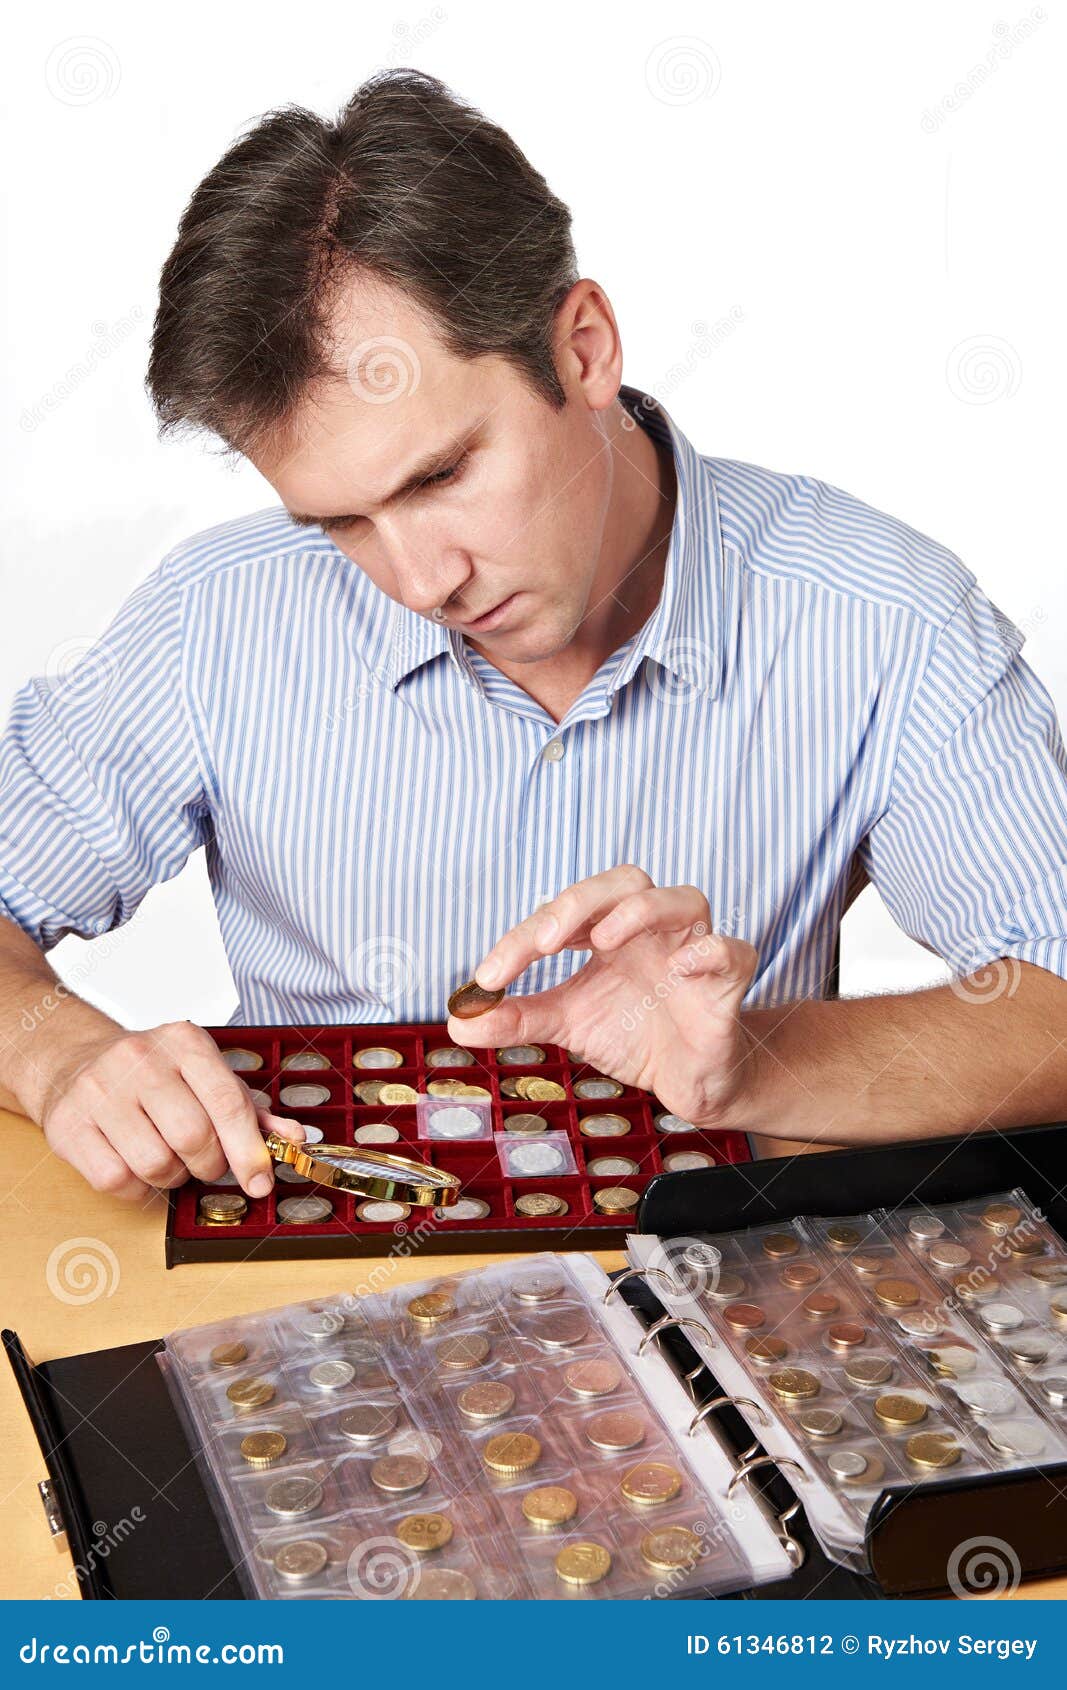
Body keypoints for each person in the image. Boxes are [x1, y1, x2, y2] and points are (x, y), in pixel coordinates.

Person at [2, 68, 1066, 1206]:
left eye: (442, 473)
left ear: (583, 348)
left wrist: (752, 1059)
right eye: (340, 520)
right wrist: (55, 1052)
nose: (420, 579)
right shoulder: (212, 618)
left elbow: (1050, 1003)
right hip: (307, 1295)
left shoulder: (883, 616)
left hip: (713, 1289)